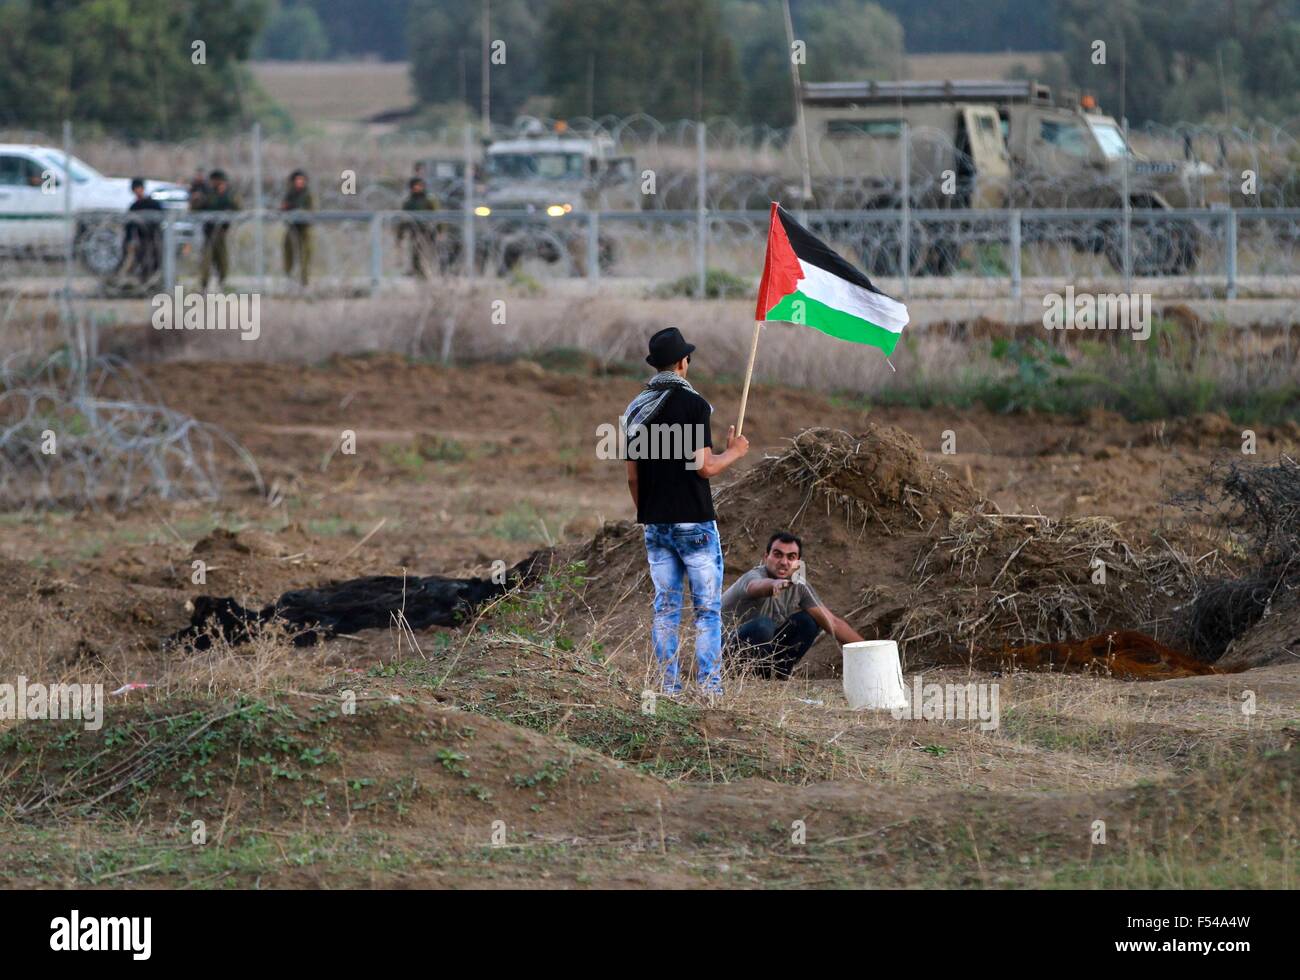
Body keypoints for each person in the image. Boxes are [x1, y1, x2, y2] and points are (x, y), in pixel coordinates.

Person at [624, 327, 749, 700]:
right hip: (694, 521)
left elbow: (632, 477)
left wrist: (649, 512)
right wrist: (735, 452)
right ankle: (710, 687)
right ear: (683, 362)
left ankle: (669, 686)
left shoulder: (635, 409)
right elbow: (703, 468)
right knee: (707, 610)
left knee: (666, 608)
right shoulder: (694, 406)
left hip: (656, 523)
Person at [722, 531, 864, 679]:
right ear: (766, 557)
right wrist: (774, 584)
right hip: (727, 655)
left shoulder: (799, 585)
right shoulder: (753, 576)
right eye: (777, 554)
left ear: (798, 563)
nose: (784, 562)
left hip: (763, 652)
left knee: (808, 621)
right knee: (763, 626)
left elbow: (833, 623)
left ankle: (779, 675)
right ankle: (756, 680)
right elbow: (755, 586)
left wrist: (873, 651)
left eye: (791, 557)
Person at [196, 169, 239, 289]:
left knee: (222, 261)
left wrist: (227, 197)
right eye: (215, 181)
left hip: (222, 232)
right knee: (206, 261)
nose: (217, 184)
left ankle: (222, 283)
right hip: (209, 232)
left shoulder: (229, 195)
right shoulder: (207, 195)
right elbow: (196, 209)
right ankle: (204, 285)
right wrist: (197, 199)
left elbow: (237, 208)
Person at [122, 177, 162, 284]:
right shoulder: (134, 206)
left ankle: (155, 281)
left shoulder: (153, 204)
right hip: (141, 238)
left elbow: (160, 219)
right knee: (141, 259)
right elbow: (129, 226)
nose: (138, 191)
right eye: (135, 189)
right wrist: (129, 241)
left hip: (154, 236)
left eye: (139, 188)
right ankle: (144, 281)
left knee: (156, 258)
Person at [398, 176, 438, 277]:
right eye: (415, 186)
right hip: (414, 230)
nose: (417, 188)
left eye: (419, 185)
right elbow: (404, 218)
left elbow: (437, 215)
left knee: (429, 251)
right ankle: (418, 271)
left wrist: (440, 230)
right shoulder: (409, 202)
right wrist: (400, 234)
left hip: (428, 230)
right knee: (415, 252)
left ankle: (429, 271)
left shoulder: (429, 200)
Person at [280, 169, 313, 286]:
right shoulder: (290, 194)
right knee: (288, 253)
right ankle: (288, 278)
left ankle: (304, 282)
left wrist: (298, 210)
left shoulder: (308, 195)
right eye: (297, 180)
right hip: (292, 227)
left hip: (304, 229)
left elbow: (312, 211)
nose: (299, 182)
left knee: (305, 256)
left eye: (301, 180)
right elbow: (283, 208)